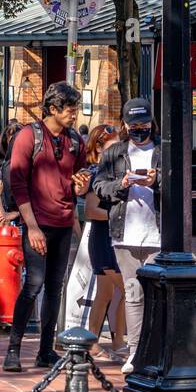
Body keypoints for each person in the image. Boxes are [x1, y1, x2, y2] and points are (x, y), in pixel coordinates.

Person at [2, 82, 90, 372]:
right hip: (37, 223)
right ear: (52, 109)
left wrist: (82, 184)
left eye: (76, 109)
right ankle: (13, 349)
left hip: (63, 222)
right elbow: (18, 183)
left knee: (55, 287)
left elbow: (79, 174)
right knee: (34, 284)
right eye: (69, 109)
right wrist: (32, 227)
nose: (74, 114)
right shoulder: (29, 136)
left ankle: (45, 350)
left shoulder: (75, 140)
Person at [92, 97, 161, 373]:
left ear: (152, 123)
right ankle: (135, 351)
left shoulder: (162, 151)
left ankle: (155, 349)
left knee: (157, 296)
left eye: (144, 123)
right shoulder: (114, 153)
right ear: (125, 125)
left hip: (157, 236)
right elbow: (99, 185)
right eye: (134, 124)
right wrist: (120, 186)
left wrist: (156, 182)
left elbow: (182, 187)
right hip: (125, 235)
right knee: (133, 295)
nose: (139, 129)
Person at [64, 123, 123, 342]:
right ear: (98, 149)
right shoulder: (97, 173)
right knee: (129, 290)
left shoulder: (111, 171)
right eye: (112, 147)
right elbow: (90, 210)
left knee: (105, 293)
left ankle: (96, 342)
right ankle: (118, 343)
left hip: (109, 238)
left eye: (120, 147)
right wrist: (119, 215)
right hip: (104, 239)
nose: (118, 152)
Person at [0, 119, 22, 223]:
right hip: (15, 220)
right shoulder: (6, 165)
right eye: (10, 142)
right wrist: (2, 213)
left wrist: (16, 213)